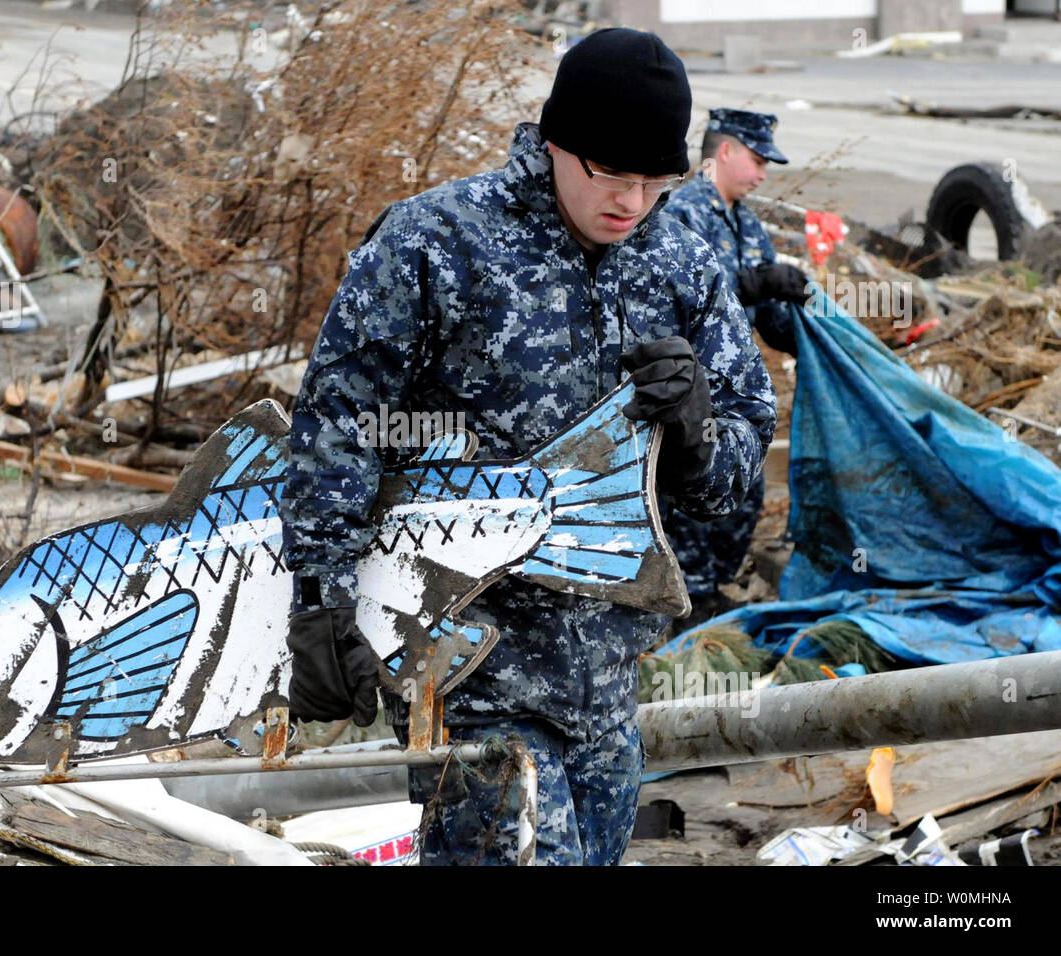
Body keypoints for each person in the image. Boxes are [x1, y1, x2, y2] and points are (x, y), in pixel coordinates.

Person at [279, 30, 776, 865]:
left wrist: (697, 435)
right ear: (555, 144)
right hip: (470, 677)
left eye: (655, 183)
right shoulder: (436, 244)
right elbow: (340, 423)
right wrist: (320, 596)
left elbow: (736, 472)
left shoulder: (683, 265)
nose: (631, 201)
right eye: (611, 176)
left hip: (611, 687)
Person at [660, 108, 809, 625]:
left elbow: (769, 315)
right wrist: (756, 283)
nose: (763, 172)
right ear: (724, 151)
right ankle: (686, 602)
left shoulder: (746, 222)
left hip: (734, 390)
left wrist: (807, 324)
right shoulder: (682, 211)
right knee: (685, 497)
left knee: (742, 493)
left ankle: (710, 590)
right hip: (683, 388)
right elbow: (677, 295)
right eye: (756, 158)